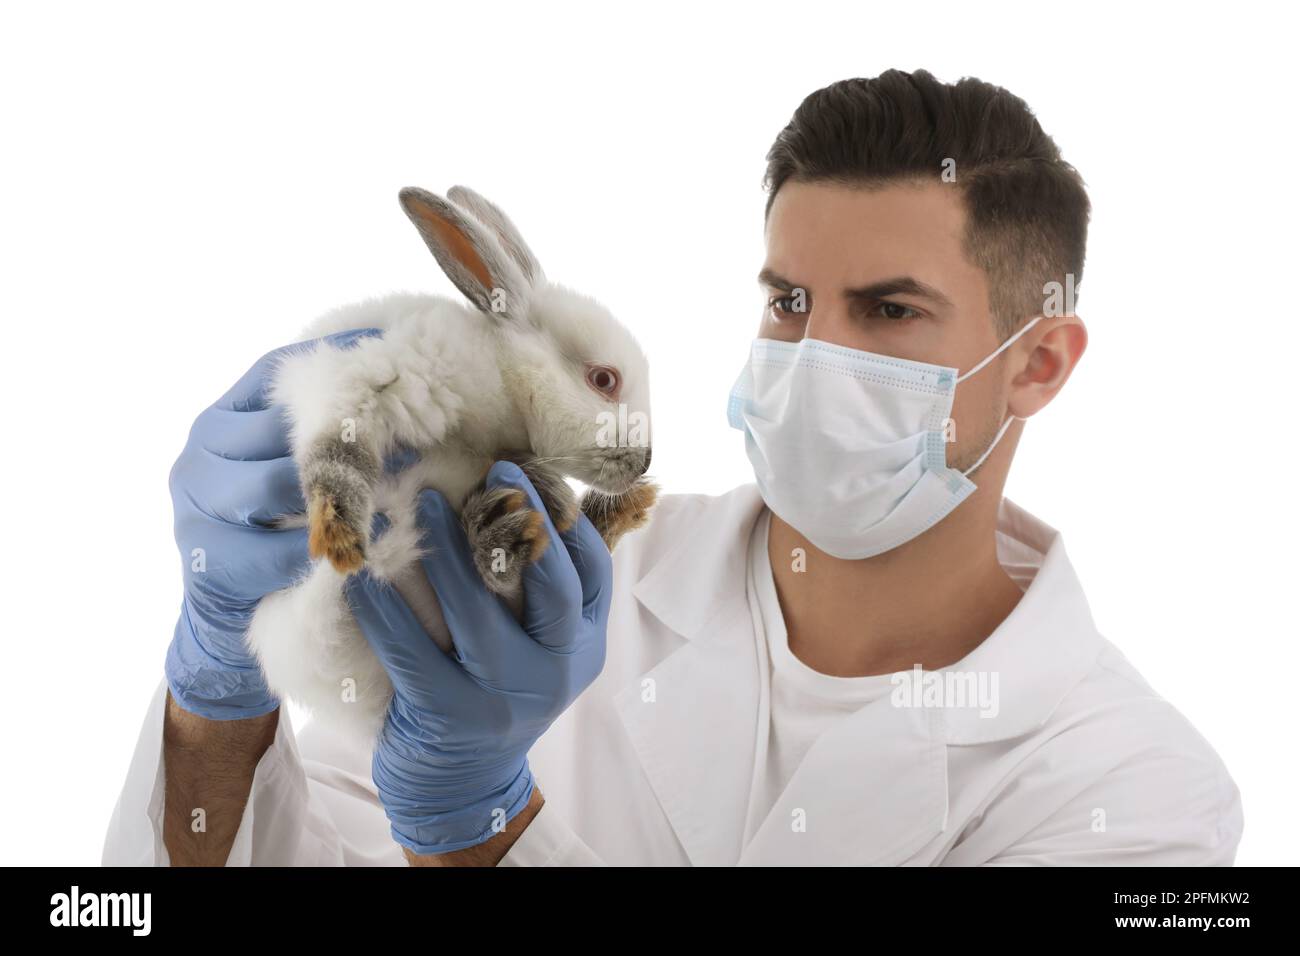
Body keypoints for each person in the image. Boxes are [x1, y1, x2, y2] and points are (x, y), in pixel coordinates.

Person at [103, 68, 1242, 866]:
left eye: (887, 310)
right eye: (789, 302)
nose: (810, 358)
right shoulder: (549, 577)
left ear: (1036, 361)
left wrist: (473, 824)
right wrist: (220, 691)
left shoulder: (1137, 793)